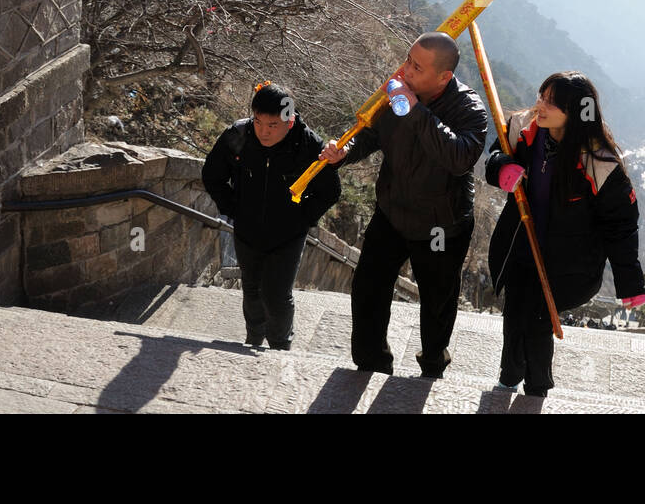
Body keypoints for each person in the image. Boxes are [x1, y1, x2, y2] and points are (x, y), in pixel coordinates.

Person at [319, 32, 488, 378]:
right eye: (408, 60)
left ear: (443, 77)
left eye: (417, 67)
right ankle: (371, 363)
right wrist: (343, 153)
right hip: (393, 211)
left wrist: (414, 109)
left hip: (442, 222)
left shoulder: (469, 109)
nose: (406, 70)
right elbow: (370, 135)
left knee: (437, 299)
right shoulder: (395, 89)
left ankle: (432, 363)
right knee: (368, 287)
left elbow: (458, 158)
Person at [485, 71, 645, 397]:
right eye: (541, 96)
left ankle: (535, 386)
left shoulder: (599, 163)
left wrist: (629, 282)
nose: (540, 106)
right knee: (515, 312)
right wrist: (502, 166)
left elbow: (620, 224)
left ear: (574, 113)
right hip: (521, 244)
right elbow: (494, 157)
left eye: (552, 103)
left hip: (571, 262)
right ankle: (511, 377)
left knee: (537, 314)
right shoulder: (522, 129)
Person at [201, 81, 341, 349]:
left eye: (272, 125)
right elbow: (212, 174)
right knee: (252, 291)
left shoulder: (307, 145)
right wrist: (232, 208)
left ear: (289, 122)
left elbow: (330, 191)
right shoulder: (239, 136)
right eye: (258, 121)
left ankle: (280, 344)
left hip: (288, 235)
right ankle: (254, 337)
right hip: (247, 230)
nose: (263, 131)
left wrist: (301, 219)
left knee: (276, 295)